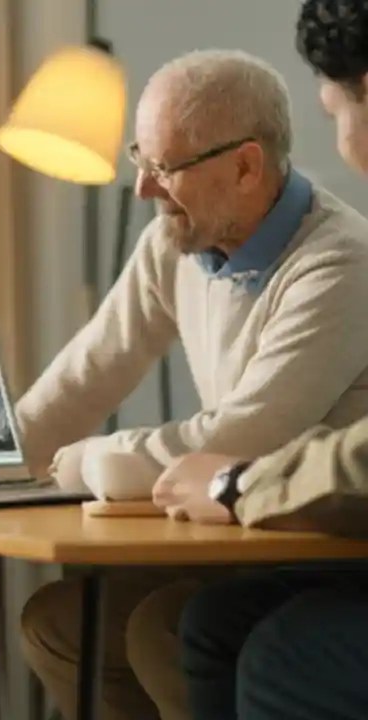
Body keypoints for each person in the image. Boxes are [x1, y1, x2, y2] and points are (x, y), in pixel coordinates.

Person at [13, 48, 368, 720]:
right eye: (139, 161)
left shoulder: (340, 264)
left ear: (245, 167)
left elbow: (245, 440)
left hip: (324, 540)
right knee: (58, 621)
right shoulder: (175, 240)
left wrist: (88, 460)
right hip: (240, 534)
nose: (144, 189)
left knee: (160, 630)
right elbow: (88, 374)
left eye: (164, 168)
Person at [155, 4, 368, 717]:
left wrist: (237, 484)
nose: (346, 149)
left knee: (287, 651)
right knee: (213, 621)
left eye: (338, 111)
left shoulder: (340, 257)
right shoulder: (173, 252)